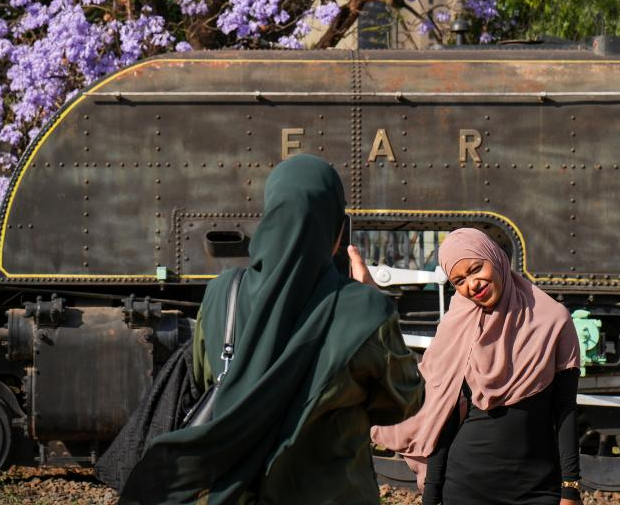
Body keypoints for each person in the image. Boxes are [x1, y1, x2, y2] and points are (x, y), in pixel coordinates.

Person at [119, 154, 424, 505]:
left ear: (272, 215)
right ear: (337, 231)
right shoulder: (365, 309)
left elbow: (207, 380)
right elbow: (404, 400)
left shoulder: (222, 294)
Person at [372, 228, 582, 505]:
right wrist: (431, 496)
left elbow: (565, 409)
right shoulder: (457, 326)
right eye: (459, 280)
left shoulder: (554, 320)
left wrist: (570, 488)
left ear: (495, 258)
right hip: (465, 486)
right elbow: (443, 416)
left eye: (475, 269)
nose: (472, 284)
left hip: (537, 488)